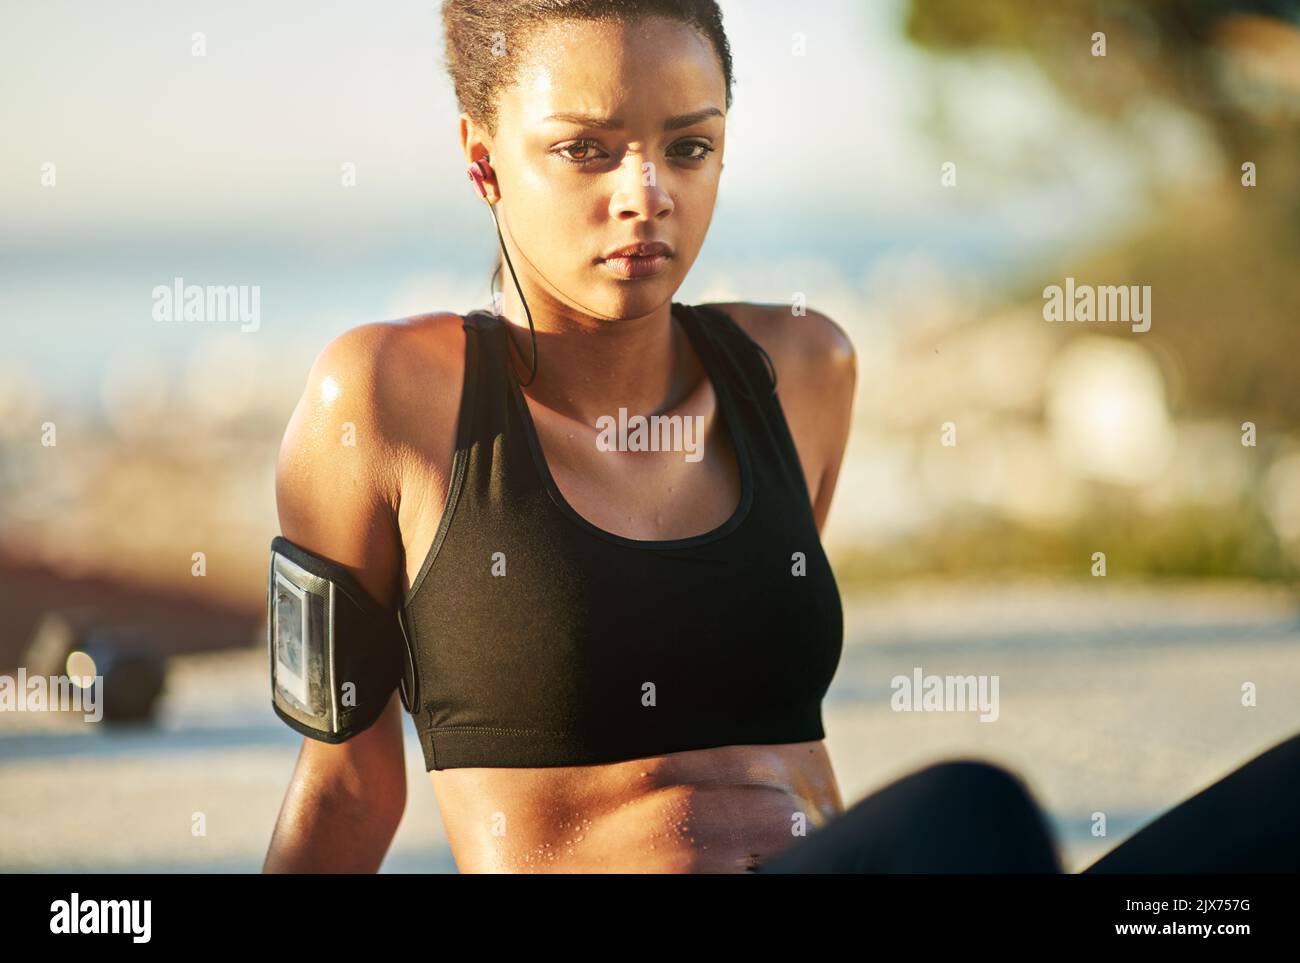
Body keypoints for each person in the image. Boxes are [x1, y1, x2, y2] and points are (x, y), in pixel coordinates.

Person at [262, 0, 1298, 874]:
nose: (647, 195)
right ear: (483, 160)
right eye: (585, 150)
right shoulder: (386, 397)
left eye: (689, 145)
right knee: (965, 814)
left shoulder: (800, 371)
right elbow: (345, 791)